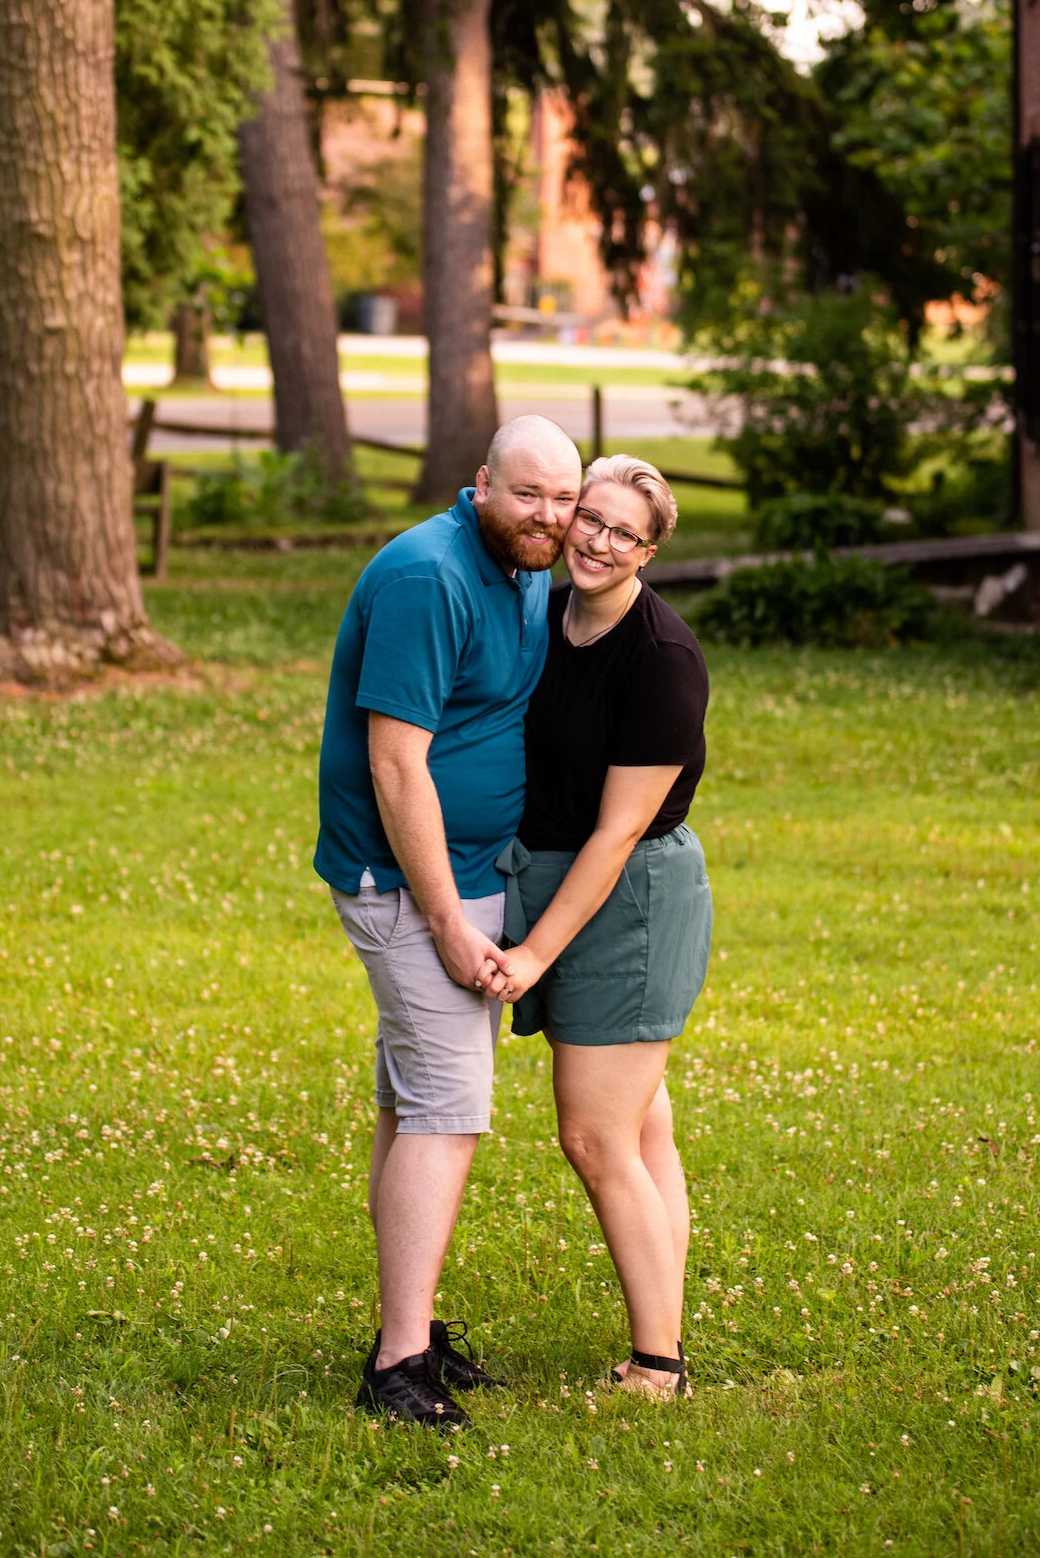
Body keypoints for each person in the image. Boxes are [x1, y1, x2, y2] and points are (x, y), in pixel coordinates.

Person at [315, 415, 583, 1428]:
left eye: (564, 499)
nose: (549, 517)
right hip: (406, 881)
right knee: (447, 1108)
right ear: (481, 484)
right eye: (528, 495)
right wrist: (442, 917)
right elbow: (396, 761)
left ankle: (410, 1325)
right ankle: (396, 1366)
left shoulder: (519, 569)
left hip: (468, 871)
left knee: (410, 1101)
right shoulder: (429, 574)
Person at [495, 455, 710, 1402]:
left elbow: (619, 832)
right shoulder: (543, 614)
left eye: (625, 534)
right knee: (639, 1128)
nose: (598, 542)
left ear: (649, 551)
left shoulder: (661, 660)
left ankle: (657, 1365)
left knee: (592, 1135)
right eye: (591, 519)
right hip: (557, 877)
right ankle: (665, 1329)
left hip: (630, 899)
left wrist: (537, 948)